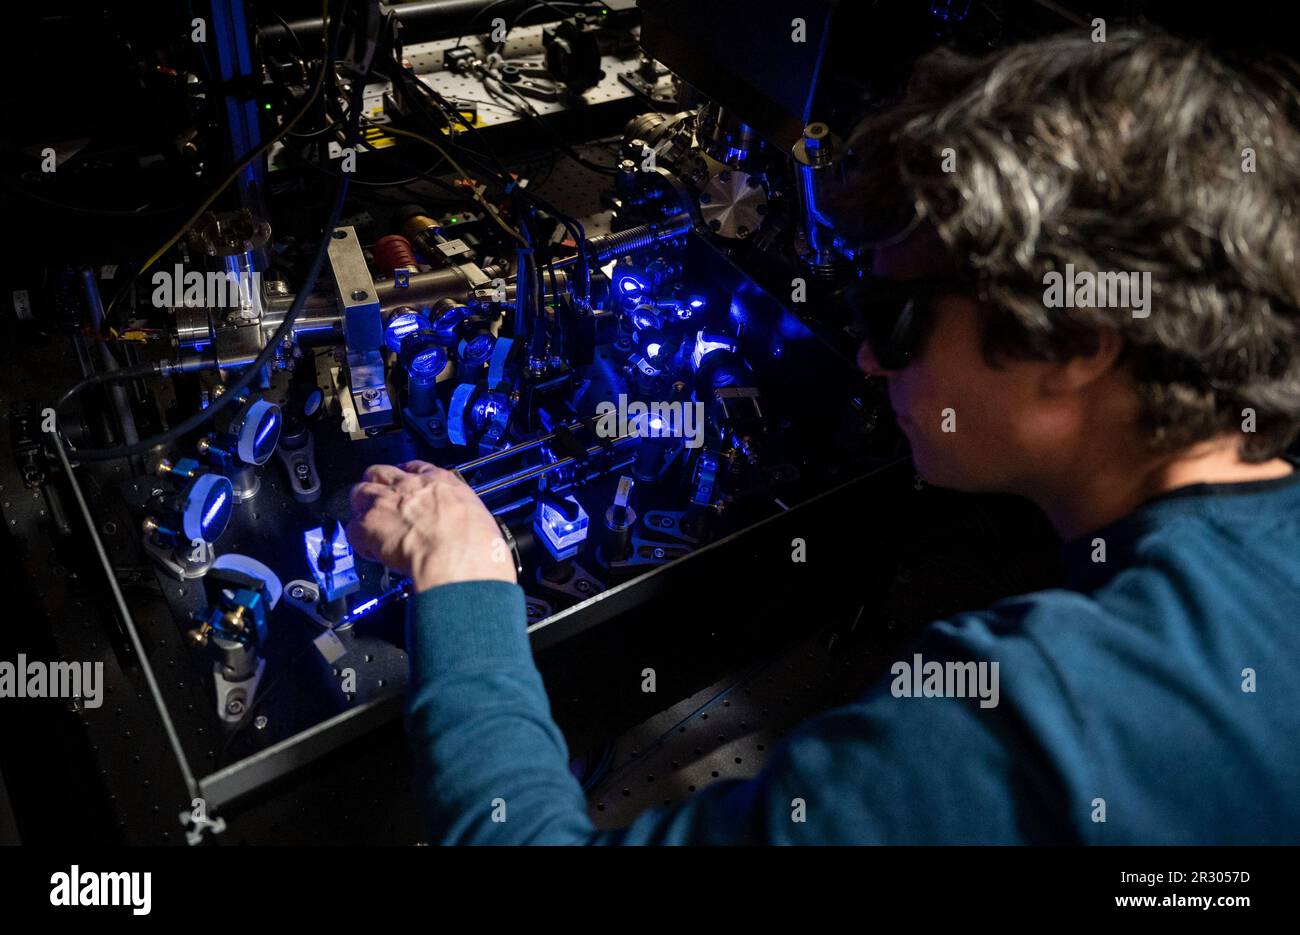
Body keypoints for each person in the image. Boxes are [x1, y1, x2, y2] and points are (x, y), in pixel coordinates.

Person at [346, 30, 1300, 844]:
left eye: (892, 317)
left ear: (1076, 339)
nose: (869, 363)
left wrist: (462, 581)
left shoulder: (1014, 730)